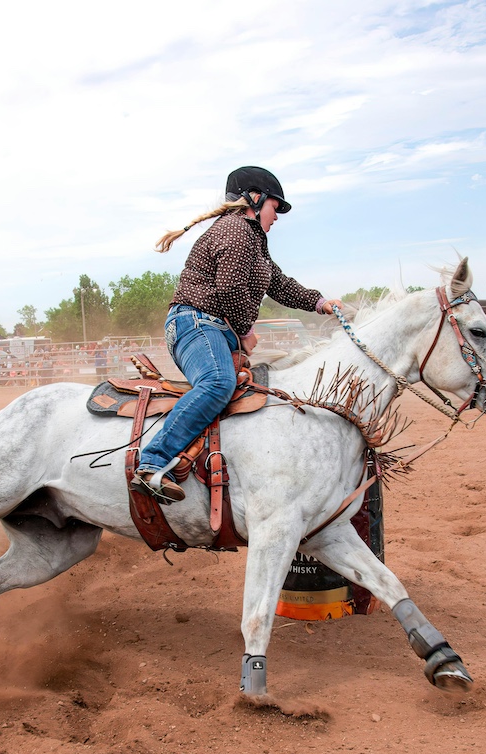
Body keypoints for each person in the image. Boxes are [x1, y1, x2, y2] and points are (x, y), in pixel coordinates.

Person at [132, 166, 343, 503]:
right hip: (196, 323)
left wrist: (319, 302)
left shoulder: (254, 242)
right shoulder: (235, 231)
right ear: (256, 199)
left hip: (212, 326)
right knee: (218, 383)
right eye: (276, 207)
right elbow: (229, 287)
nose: (277, 217)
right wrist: (245, 330)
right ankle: (153, 461)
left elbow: (279, 283)